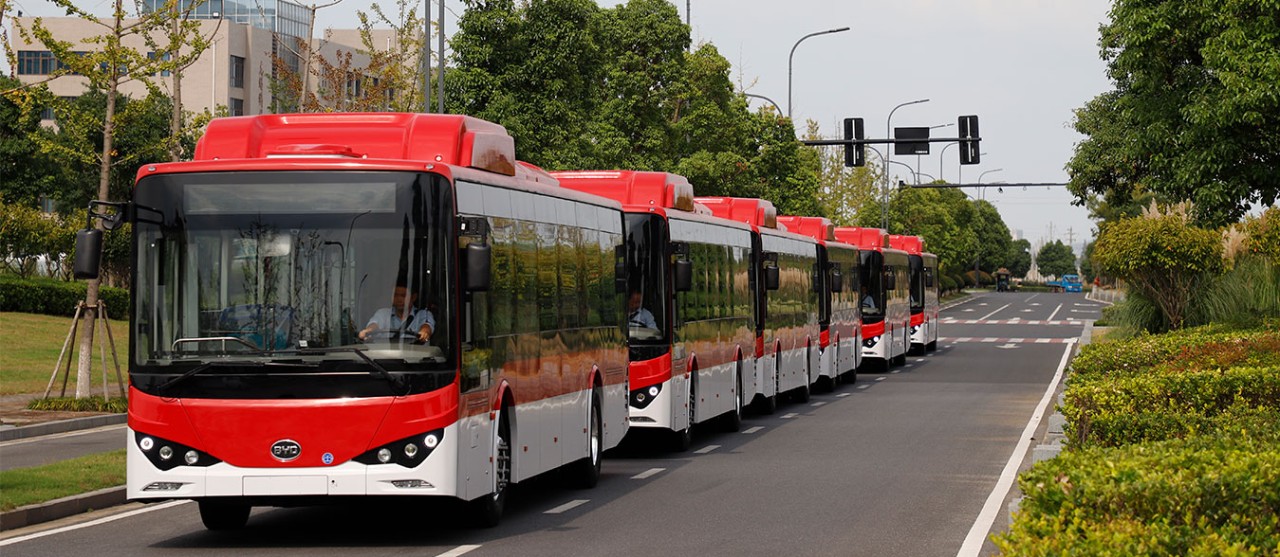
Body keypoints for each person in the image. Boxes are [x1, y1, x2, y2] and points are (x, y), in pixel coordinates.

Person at [359, 284, 435, 343]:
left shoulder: (423, 314)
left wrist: (424, 332)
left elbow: (426, 325)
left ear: (413, 297)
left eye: (403, 296)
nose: (399, 300)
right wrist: (368, 331)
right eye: (395, 295)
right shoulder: (383, 313)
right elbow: (374, 324)